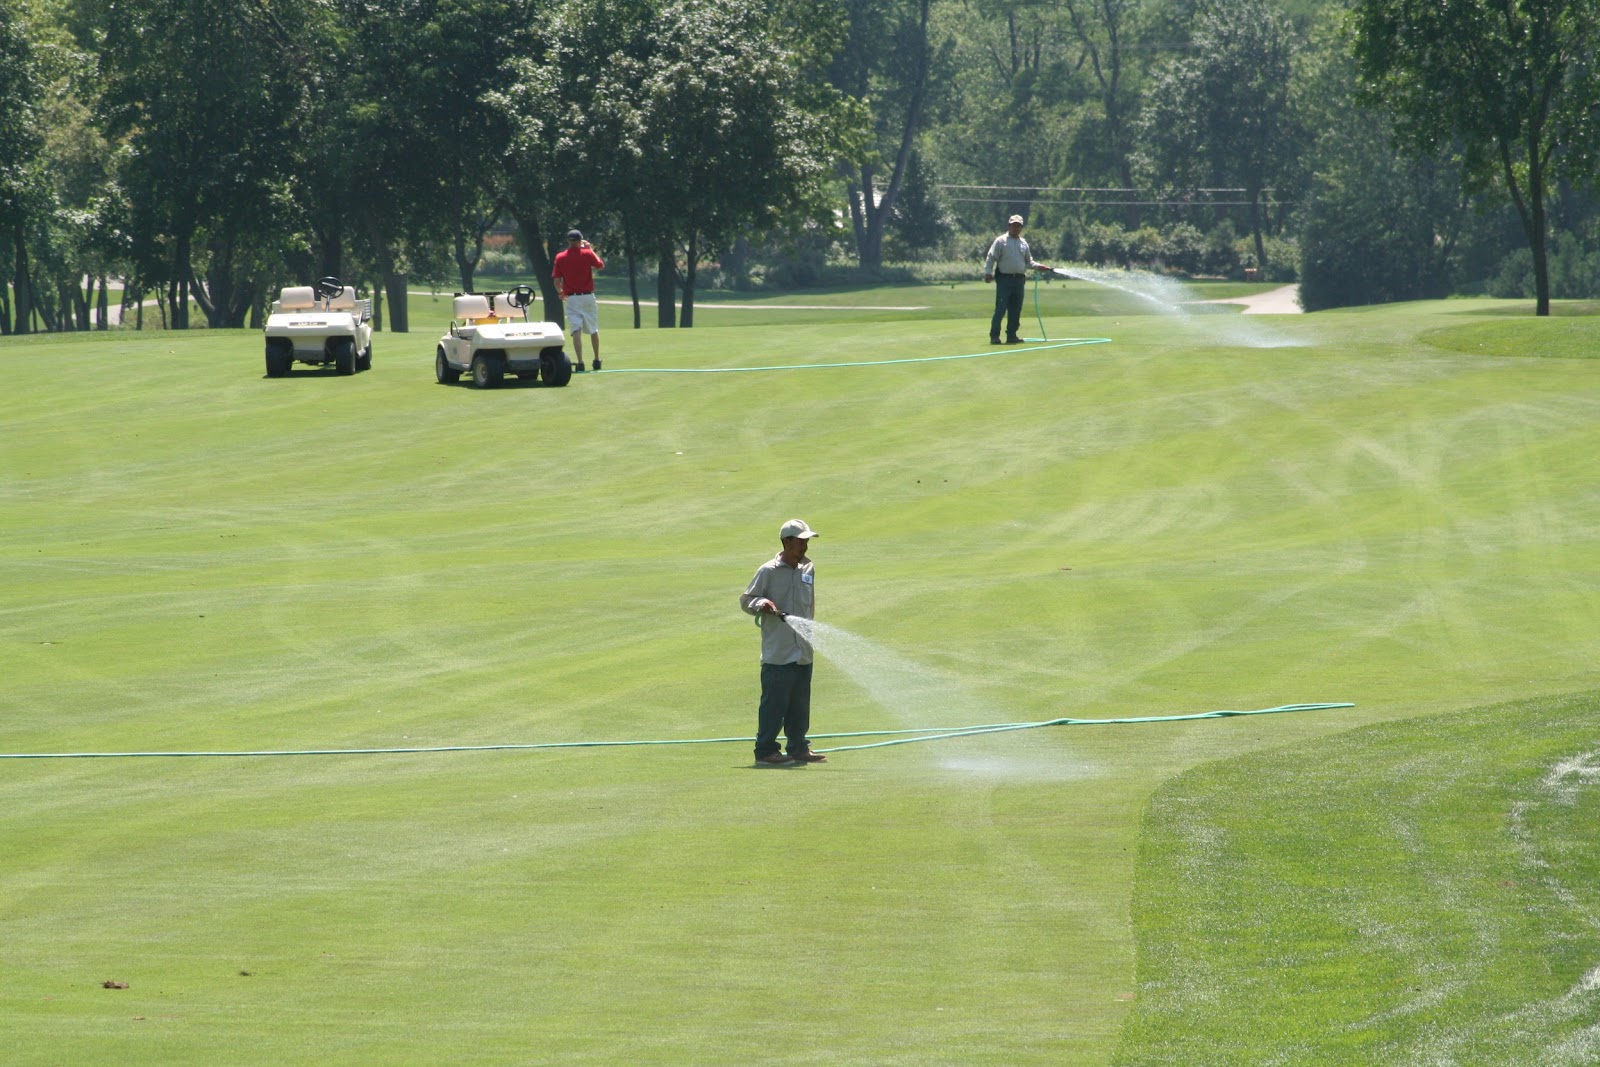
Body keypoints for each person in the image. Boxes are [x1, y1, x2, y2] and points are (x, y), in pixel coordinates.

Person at [739, 519, 828, 766]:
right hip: (778, 651)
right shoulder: (768, 570)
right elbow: (747, 600)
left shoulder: (808, 568)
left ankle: (798, 747)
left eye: (806, 541)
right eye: (800, 541)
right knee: (774, 705)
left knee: (800, 703)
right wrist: (761, 604)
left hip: (803, 648)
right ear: (787, 542)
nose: (805, 546)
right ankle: (765, 751)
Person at [982, 214, 1051, 345]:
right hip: (1004, 279)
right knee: (1001, 308)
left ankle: (1012, 335)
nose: (1015, 228)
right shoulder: (1001, 241)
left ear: (1021, 228)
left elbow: (1029, 262)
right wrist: (988, 273)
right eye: (1013, 225)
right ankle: (994, 336)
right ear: (1009, 226)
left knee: (1016, 309)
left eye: (1018, 226)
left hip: (1019, 281)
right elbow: (991, 257)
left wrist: (1039, 267)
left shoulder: (1023, 243)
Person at [552, 229, 605, 371]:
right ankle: (596, 360)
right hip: (587, 296)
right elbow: (600, 265)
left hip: (572, 298)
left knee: (576, 330)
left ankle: (580, 362)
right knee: (593, 329)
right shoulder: (587, 254)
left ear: (568, 241)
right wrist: (590, 249)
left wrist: (560, 292)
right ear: (580, 240)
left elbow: (557, 280)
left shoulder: (560, 257)